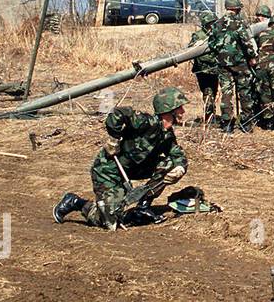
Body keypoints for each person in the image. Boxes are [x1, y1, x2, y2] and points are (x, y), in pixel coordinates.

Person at [54, 87, 189, 229]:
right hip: (108, 171)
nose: (183, 112)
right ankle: (76, 202)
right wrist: (114, 138)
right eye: (180, 108)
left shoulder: (167, 135)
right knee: (109, 223)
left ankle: (143, 206)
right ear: (170, 109)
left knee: (170, 165)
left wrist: (180, 168)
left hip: (133, 169)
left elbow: (178, 156)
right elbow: (118, 113)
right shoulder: (145, 122)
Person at [209, 0, 258, 132]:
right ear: (236, 9)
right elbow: (246, 41)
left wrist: (220, 55)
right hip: (240, 63)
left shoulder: (217, 24)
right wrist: (252, 57)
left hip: (223, 64)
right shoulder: (240, 23)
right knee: (244, 92)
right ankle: (246, 124)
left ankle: (227, 125)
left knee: (226, 94)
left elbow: (211, 44)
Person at [189, 10, 220, 123]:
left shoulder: (216, 34)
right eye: (210, 23)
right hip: (203, 70)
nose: (212, 25)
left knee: (214, 92)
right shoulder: (198, 36)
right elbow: (194, 53)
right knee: (208, 93)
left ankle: (212, 115)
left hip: (214, 70)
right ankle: (209, 117)